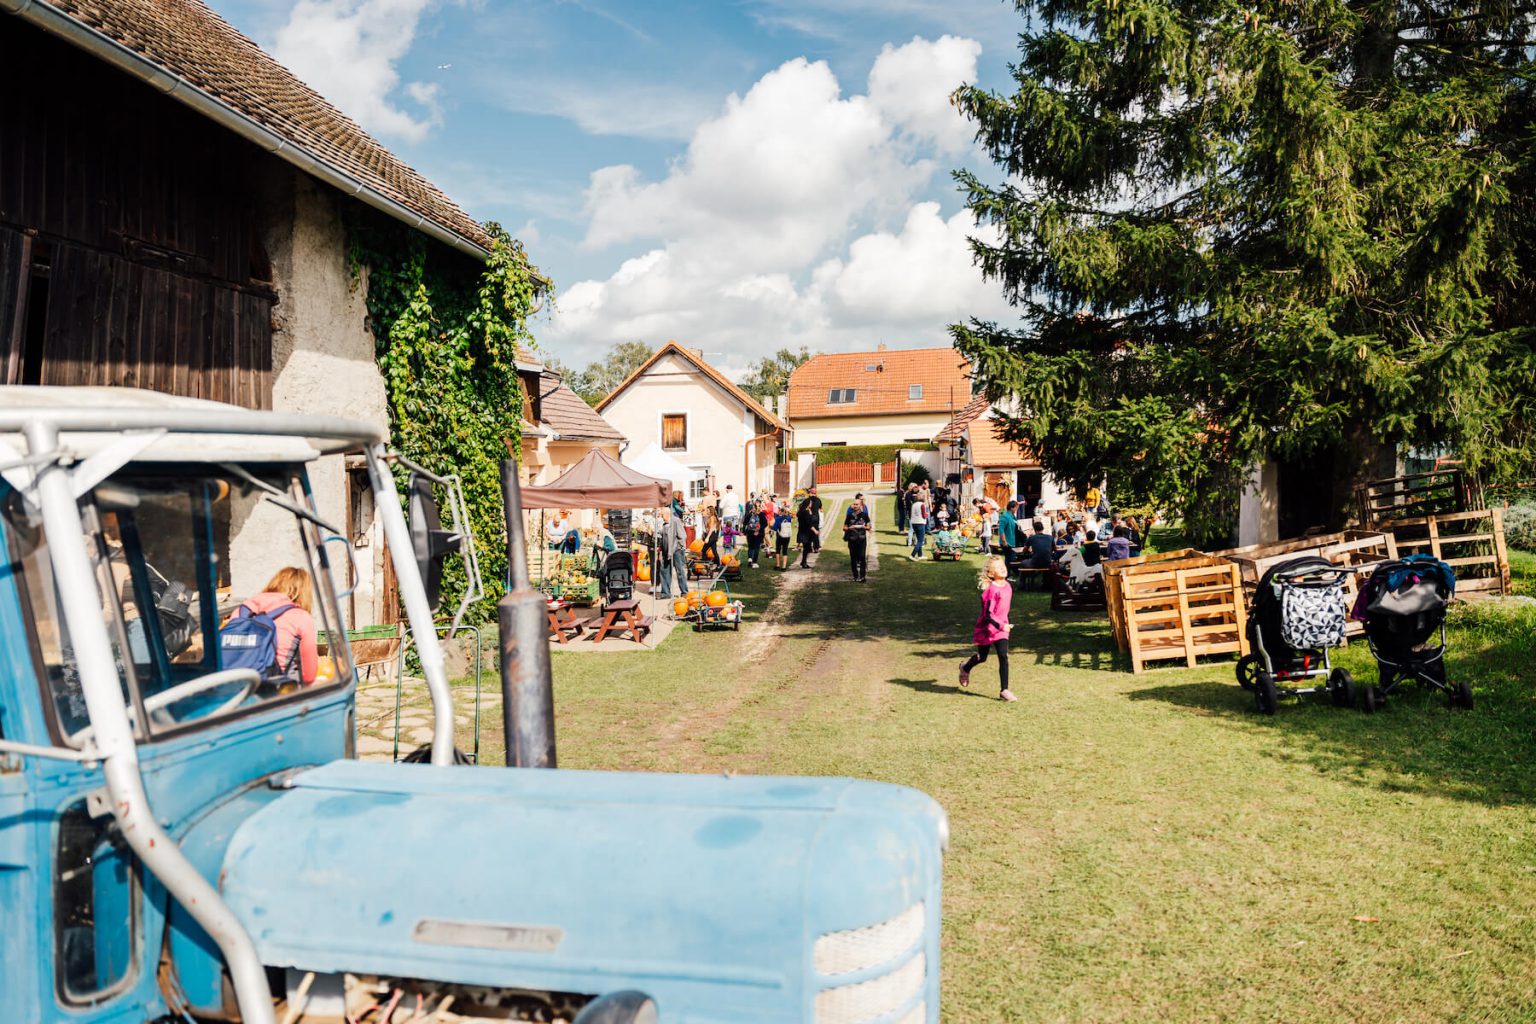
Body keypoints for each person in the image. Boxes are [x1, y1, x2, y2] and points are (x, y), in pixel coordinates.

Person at [232, 566, 318, 686]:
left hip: (236, 689)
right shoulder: (301, 617)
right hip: (275, 693)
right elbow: (309, 676)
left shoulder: (241, 612)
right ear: (303, 593)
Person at [959, 555, 1016, 701]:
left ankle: (1004, 690)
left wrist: (1003, 625)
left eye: (1003, 565)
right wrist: (1001, 625)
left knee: (1003, 656)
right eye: (997, 567)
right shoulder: (991, 591)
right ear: (991, 573)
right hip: (987, 628)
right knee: (981, 657)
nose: (1002, 568)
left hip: (1001, 629)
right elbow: (987, 615)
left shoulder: (1008, 586)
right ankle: (965, 667)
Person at [655, 505, 682, 599]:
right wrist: (660, 547)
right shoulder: (664, 524)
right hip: (666, 551)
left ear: (667, 514)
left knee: (680, 572)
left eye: (662, 515)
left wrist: (679, 548)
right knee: (664, 571)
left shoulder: (675, 521)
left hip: (676, 551)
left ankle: (684, 592)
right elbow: (664, 538)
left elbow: (682, 536)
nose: (661, 517)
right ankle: (665, 592)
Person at [845, 496, 873, 583]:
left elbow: (869, 527)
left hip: (861, 539)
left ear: (861, 505)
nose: (855, 506)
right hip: (852, 539)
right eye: (854, 504)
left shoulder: (864, 515)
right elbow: (844, 527)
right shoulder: (849, 516)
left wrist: (862, 527)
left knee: (862, 558)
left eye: (857, 504)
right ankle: (855, 576)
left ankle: (862, 576)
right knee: (853, 559)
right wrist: (849, 528)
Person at [796, 492, 819, 568]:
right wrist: (815, 531)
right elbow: (809, 523)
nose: (811, 504)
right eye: (811, 503)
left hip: (802, 531)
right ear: (808, 504)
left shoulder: (801, 512)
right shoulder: (805, 512)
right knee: (807, 548)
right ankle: (803, 562)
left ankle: (803, 562)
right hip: (806, 533)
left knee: (807, 548)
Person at [742, 499, 767, 569]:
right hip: (759, 533)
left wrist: (744, 531)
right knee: (756, 547)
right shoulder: (761, 514)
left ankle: (750, 559)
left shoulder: (749, 514)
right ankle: (755, 562)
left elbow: (744, 523)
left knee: (750, 547)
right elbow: (765, 524)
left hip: (750, 532)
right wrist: (759, 530)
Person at [772, 503, 794, 570]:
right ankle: (784, 566)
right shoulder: (789, 518)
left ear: (780, 511)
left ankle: (778, 565)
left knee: (778, 550)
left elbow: (775, 528)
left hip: (780, 536)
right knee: (785, 550)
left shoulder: (778, 519)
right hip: (787, 536)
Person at [909, 488, 929, 560]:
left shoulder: (914, 504)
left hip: (914, 523)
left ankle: (920, 555)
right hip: (920, 523)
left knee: (918, 539)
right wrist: (927, 514)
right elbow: (924, 515)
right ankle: (912, 555)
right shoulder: (922, 505)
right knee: (921, 541)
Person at [805, 486, 824, 552]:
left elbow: (806, 508)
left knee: (809, 532)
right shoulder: (818, 500)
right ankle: (816, 547)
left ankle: (810, 548)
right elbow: (821, 508)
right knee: (816, 531)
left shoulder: (808, 500)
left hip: (810, 517)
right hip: (816, 517)